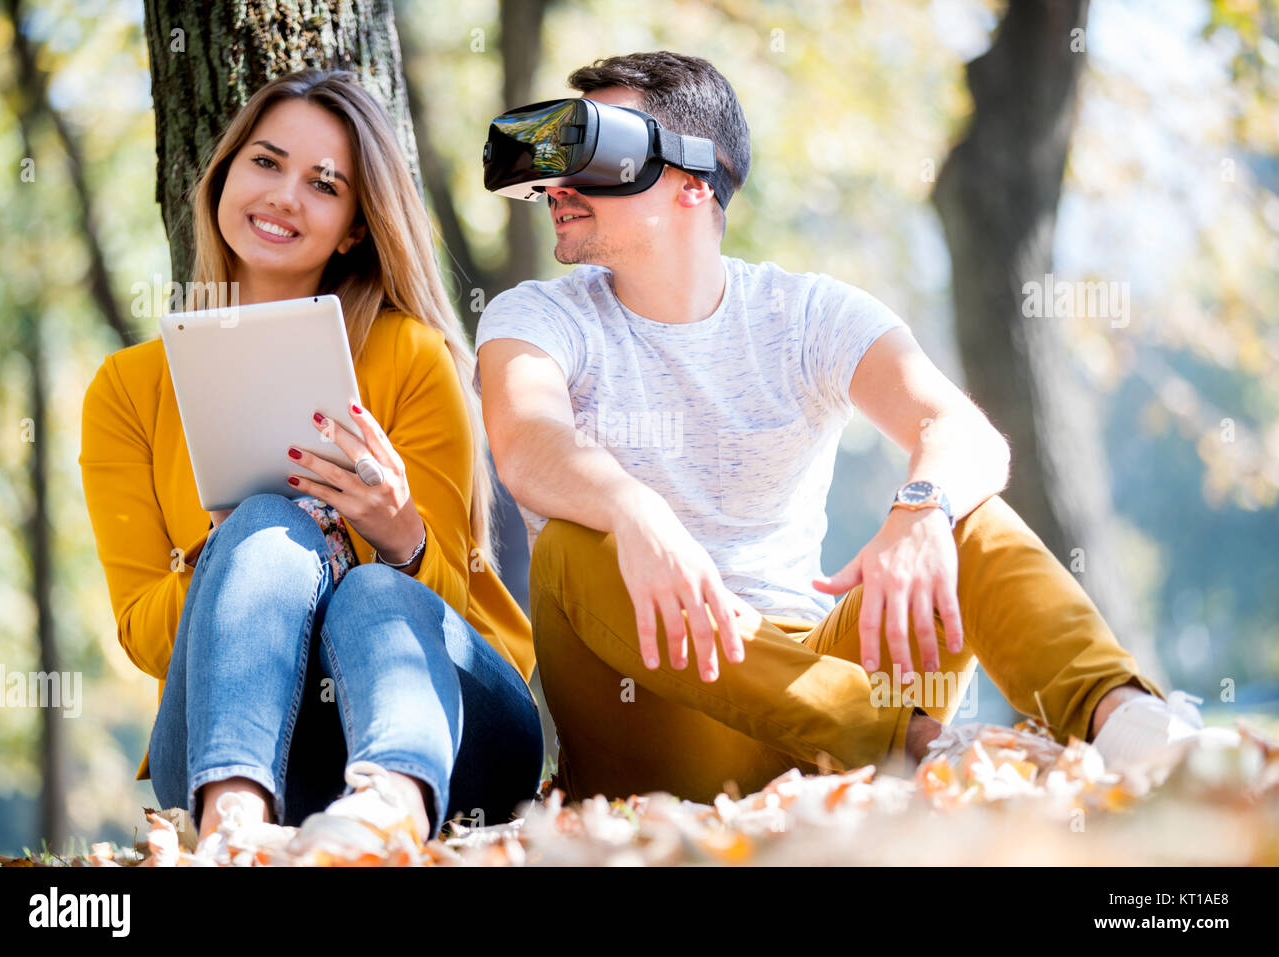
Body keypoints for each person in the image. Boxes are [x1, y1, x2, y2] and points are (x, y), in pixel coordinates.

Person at [474, 51, 1212, 804]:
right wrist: (634, 510)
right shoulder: (535, 316)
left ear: (696, 178)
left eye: (596, 151)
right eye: (558, 160)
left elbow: (964, 432)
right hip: (656, 730)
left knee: (965, 517)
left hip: (819, 689)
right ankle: (916, 747)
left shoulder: (808, 314)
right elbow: (528, 443)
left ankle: (1134, 729)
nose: (560, 185)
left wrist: (921, 509)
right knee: (572, 543)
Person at [79, 69, 543, 859]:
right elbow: (148, 641)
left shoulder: (412, 355)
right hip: (246, 741)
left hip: (454, 730)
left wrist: (402, 538)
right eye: (265, 162)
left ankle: (390, 802)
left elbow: (449, 612)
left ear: (355, 228)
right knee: (263, 521)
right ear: (224, 173)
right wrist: (225, 558)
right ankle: (233, 822)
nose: (285, 196)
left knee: (373, 587)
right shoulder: (126, 390)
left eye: (324, 185)